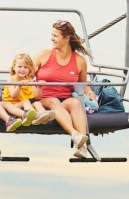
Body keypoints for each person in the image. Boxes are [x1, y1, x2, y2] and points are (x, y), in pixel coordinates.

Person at [34, 20, 97, 158]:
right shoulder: (43, 55)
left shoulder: (79, 61)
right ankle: (75, 135)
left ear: (66, 38)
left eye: (55, 36)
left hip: (65, 99)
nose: (52, 38)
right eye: (52, 35)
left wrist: (90, 92)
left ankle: (82, 148)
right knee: (53, 102)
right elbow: (25, 75)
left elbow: (83, 84)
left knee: (75, 102)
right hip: (43, 99)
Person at [0, 53, 56, 132]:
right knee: (25, 101)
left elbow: (37, 96)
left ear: (29, 69)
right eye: (19, 67)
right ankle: (33, 115)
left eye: (26, 67)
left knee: (37, 103)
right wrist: (19, 86)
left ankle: (43, 114)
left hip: (26, 105)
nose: (22, 69)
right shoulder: (11, 79)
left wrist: (39, 87)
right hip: (14, 105)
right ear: (14, 67)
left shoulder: (29, 80)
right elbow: (13, 96)